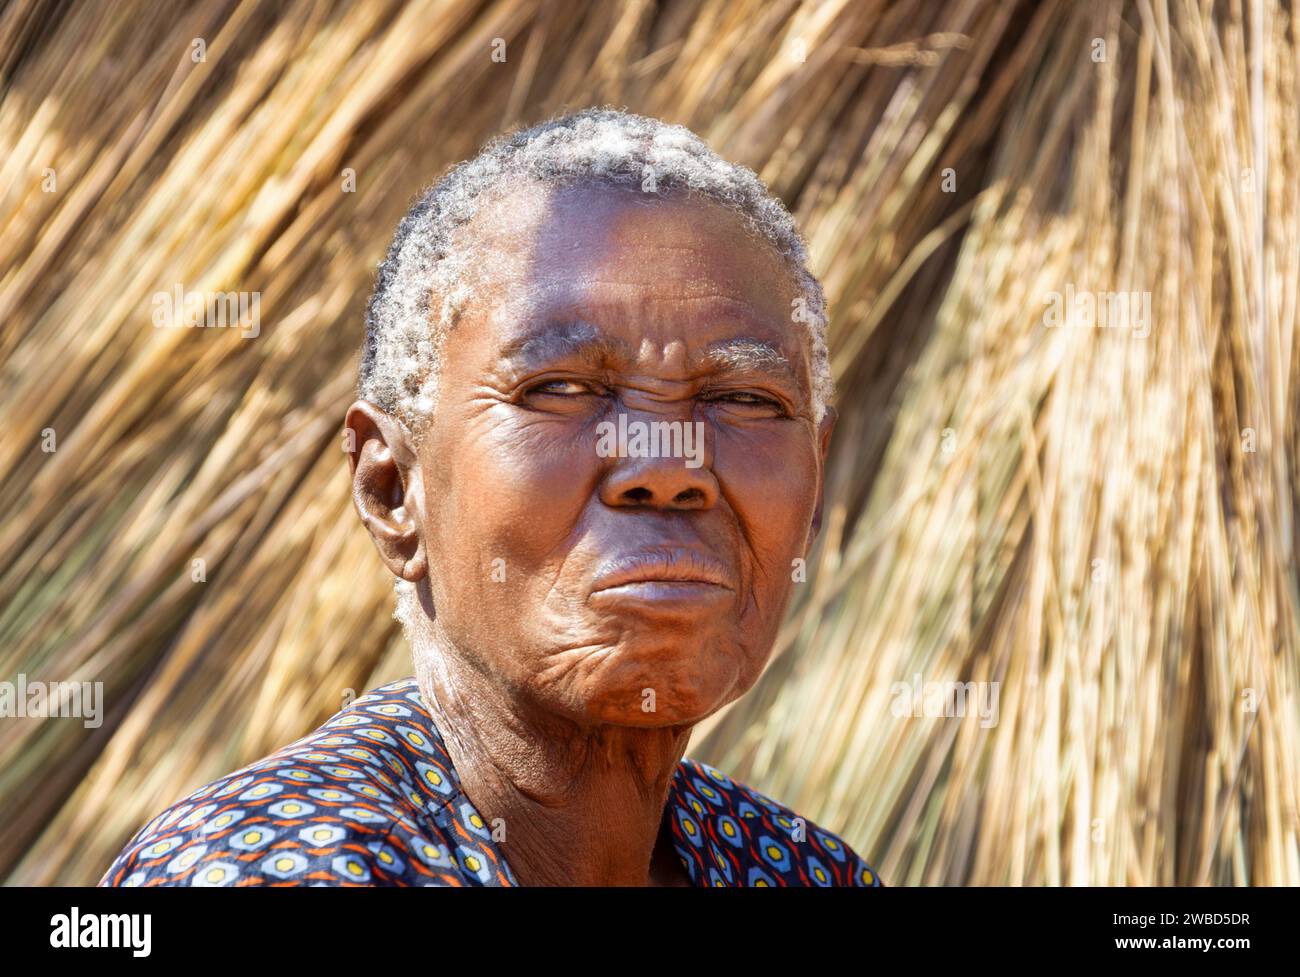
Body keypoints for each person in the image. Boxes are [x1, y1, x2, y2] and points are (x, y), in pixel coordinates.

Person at [100, 108, 882, 887]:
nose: (669, 464)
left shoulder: (800, 869)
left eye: (743, 398)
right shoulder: (273, 868)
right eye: (564, 388)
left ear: (813, 487)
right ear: (393, 489)